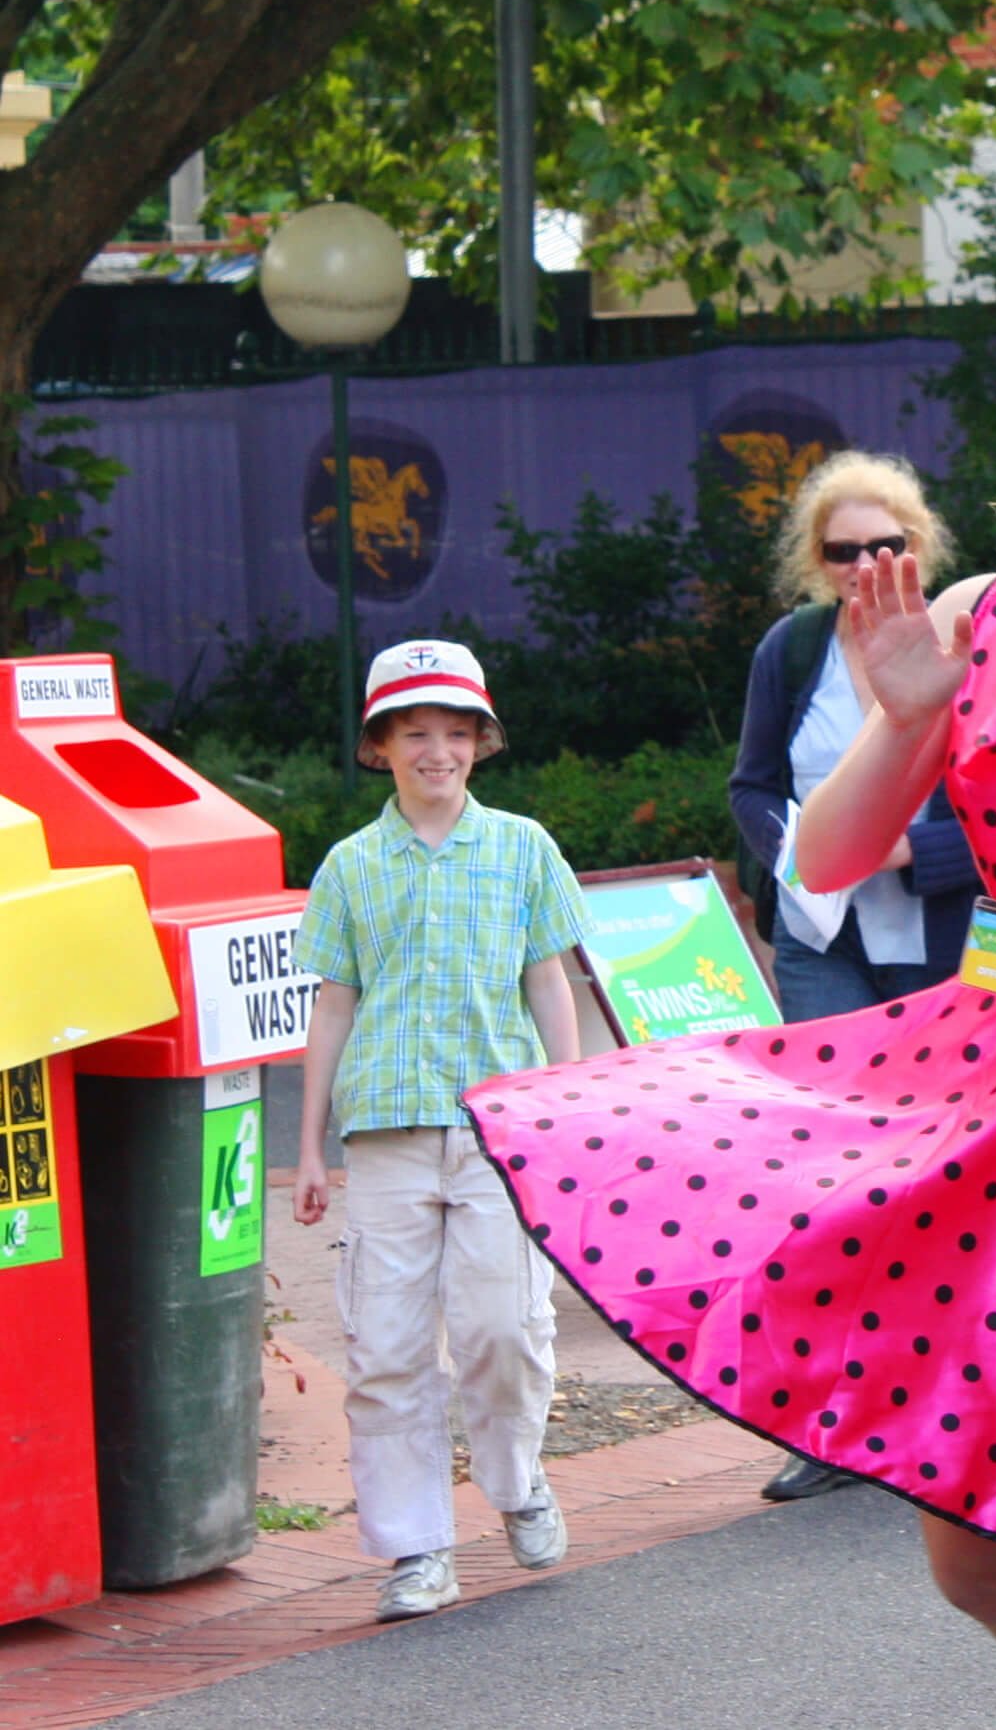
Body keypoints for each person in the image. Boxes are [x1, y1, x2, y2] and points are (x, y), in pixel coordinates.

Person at [467, 272, 996, 1730]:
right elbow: (826, 859)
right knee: (963, 1544)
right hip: (990, 1067)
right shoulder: (977, 612)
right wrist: (911, 713)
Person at [290, 639, 589, 1623]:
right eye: (415, 733)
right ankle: (416, 1547)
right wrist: (309, 1149)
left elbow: (549, 978)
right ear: (380, 747)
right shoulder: (349, 866)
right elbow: (333, 1006)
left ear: (479, 743)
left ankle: (515, 1479)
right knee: (385, 1346)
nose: (437, 751)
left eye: (455, 733)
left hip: (500, 1124)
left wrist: (568, 1109)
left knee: (504, 1327)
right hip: (381, 1130)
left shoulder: (522, 847)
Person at [729, 454, 978, 1503]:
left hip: (930, 944)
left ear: (918, 548)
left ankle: (943, 1407)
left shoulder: (964, 640)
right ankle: (827, 1423)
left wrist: (897, 851)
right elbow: (750, 784)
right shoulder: (790, 653)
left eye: (887, 546)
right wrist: (796, 854)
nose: (868, 565)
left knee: (930, 1177)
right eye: (845, 551)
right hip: (820, 942)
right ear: (817, 564)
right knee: (828, 1181)